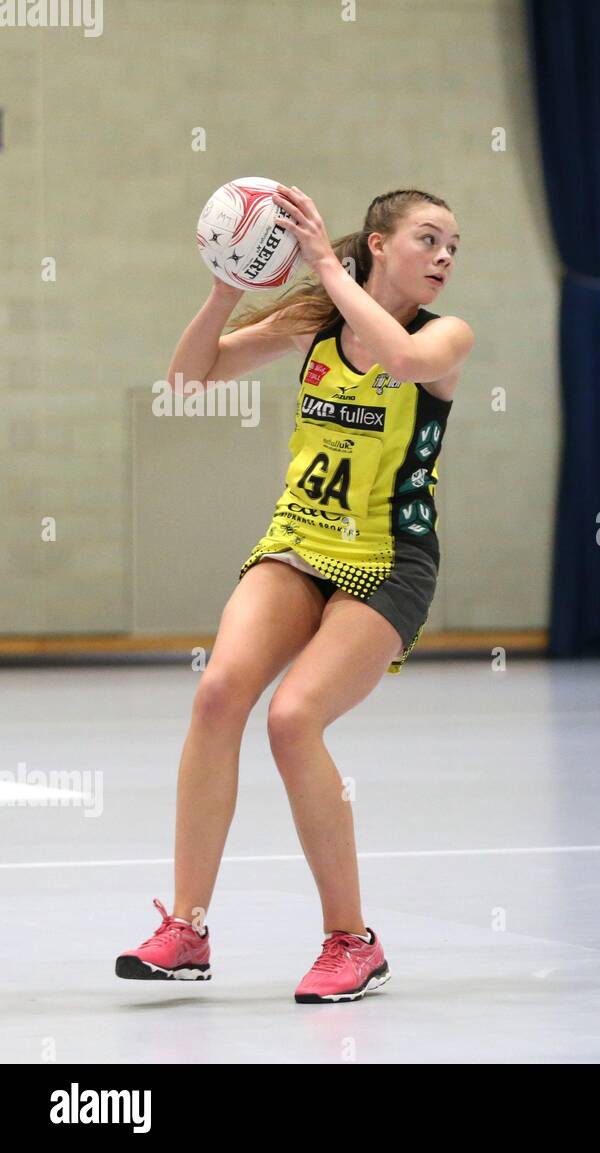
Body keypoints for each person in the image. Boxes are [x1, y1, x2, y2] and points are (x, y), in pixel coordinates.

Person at [115, 187, 473, 1001]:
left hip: (389, 561)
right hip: (298, 543)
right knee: (218, 696)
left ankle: (352, 940)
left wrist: (324, 268)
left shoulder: (444, 336)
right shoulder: (316, 320)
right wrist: (225, 286)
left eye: (454, 245)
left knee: (292, 718)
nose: (446, 256)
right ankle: (187, 928)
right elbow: (186, 378)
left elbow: (405, 364)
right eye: (429, 239)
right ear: (379, 244)